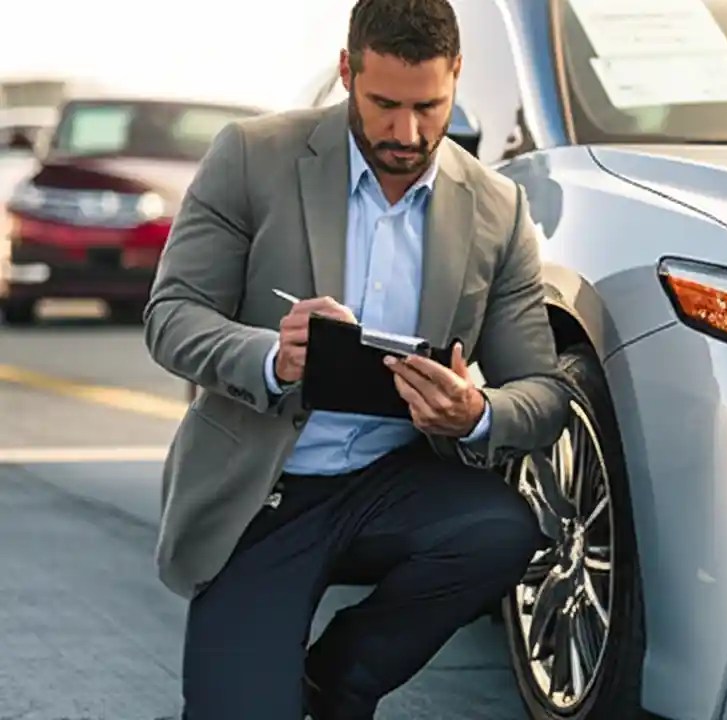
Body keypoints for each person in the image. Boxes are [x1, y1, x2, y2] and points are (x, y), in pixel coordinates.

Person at [142, 0, 569, 717]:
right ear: (347, 71)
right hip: (263, 496)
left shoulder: (497, 208)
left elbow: (544, 391)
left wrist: (476, 413)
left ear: (457, 74)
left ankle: (336, 680)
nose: (407, 133)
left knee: (502, 530)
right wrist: (273, 356)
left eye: (429, 106)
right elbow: (171, 317)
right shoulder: (251, 155)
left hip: (394, 488)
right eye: (383, 105)